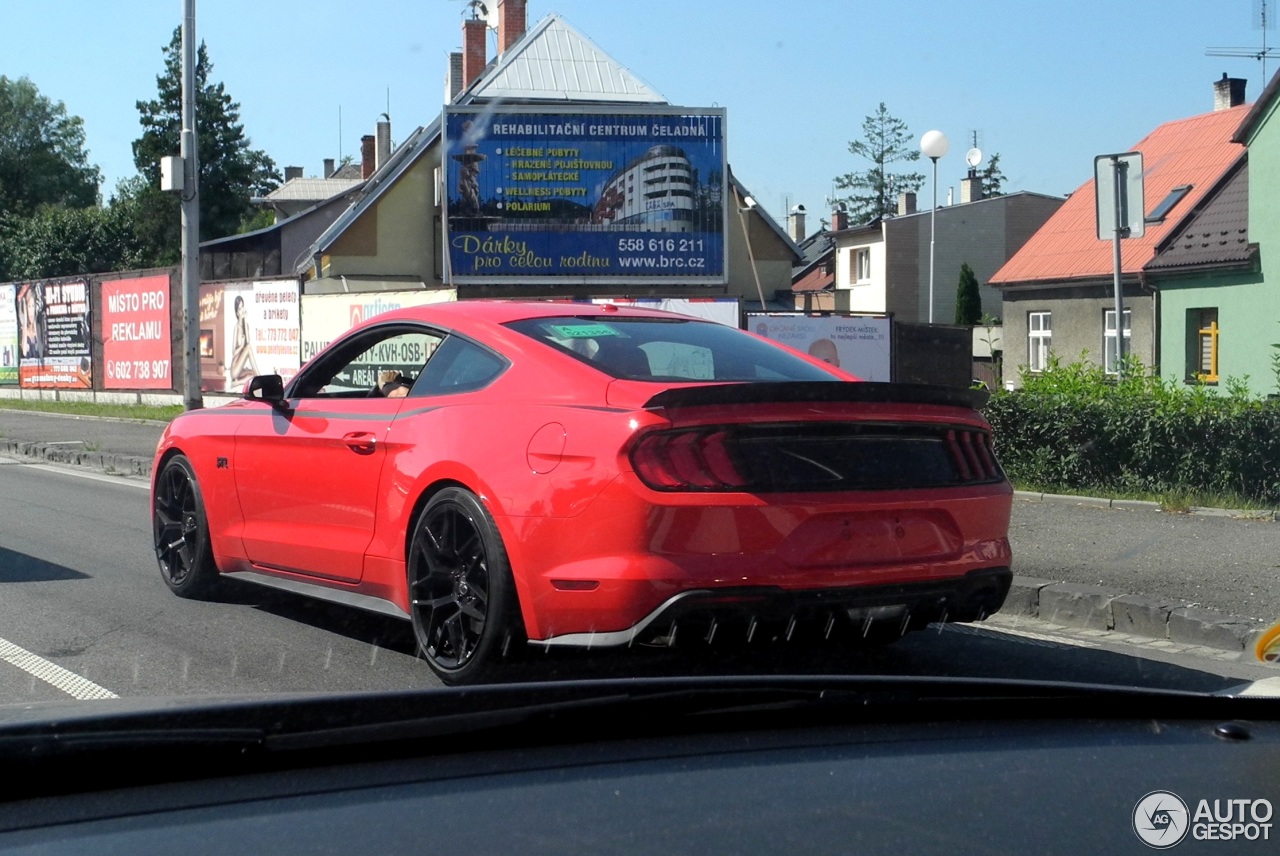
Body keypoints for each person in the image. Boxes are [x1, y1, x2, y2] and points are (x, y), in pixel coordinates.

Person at [228, 295, 259, 383]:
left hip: (240, 369)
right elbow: (233, 353)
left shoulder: (246, 326)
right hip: (234, 370)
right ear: (237, 312)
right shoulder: (236, 328)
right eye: (239, 308)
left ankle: (237, 383)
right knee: (248, 347)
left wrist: (245, 319)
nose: (242, 310)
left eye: (242, 307)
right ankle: (260, 377)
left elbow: (248, 341)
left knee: (253, 374)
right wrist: (241, 346)